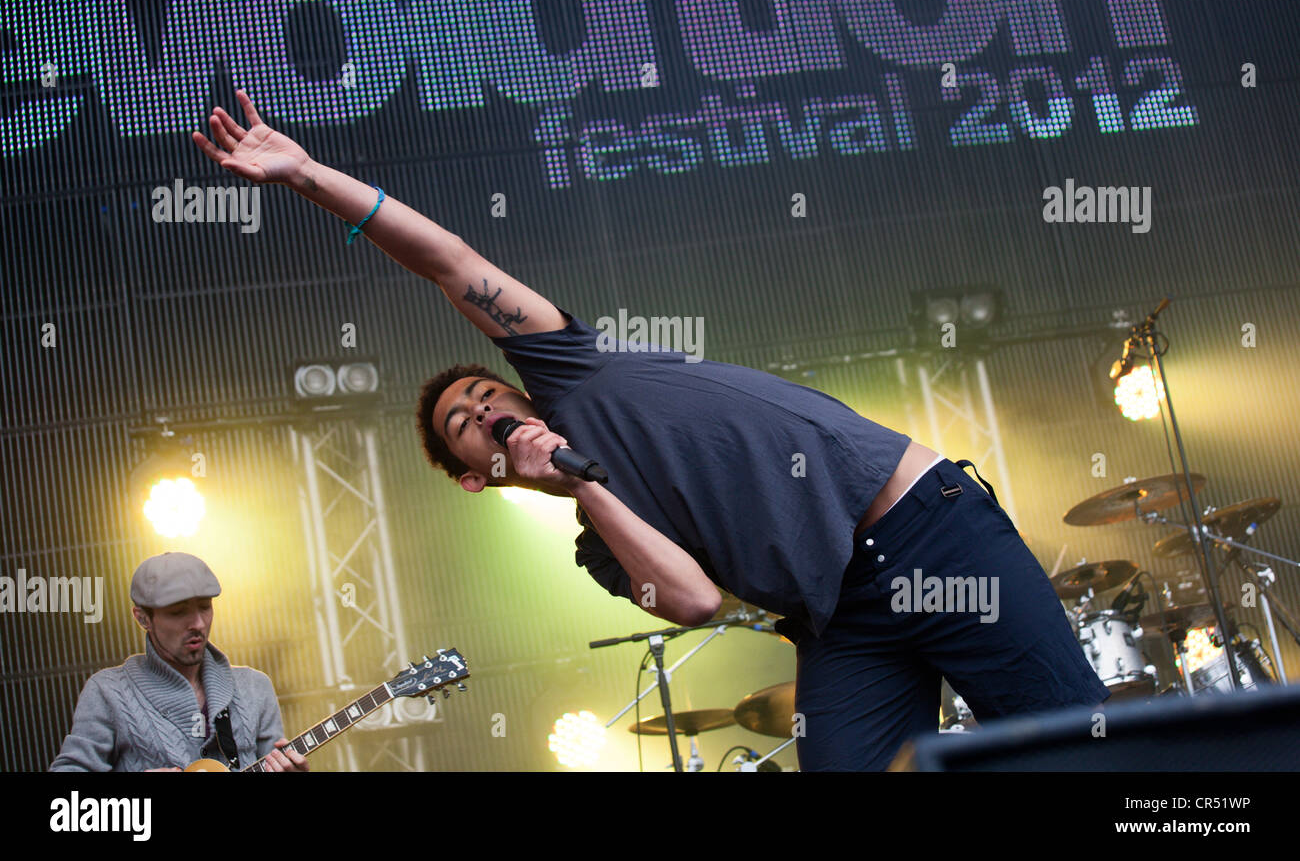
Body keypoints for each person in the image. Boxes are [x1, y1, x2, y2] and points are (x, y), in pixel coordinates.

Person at [192, 91, 1108, 770]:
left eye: (480, 391)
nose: (480, 410)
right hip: (844, 620)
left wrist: (309, 176)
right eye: (462, 427)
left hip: (924, 530)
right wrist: (581, 480)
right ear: (474, 476)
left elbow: (449, 261)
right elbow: (696, 601)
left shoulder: (566, 370)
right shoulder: (601, 549)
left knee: (1079, 754)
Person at [50, 552, 308, 772]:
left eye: (204, 607)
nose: (197, 623)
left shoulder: (255, 686)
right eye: (178, 612)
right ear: (142, 618)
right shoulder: (108, 691)